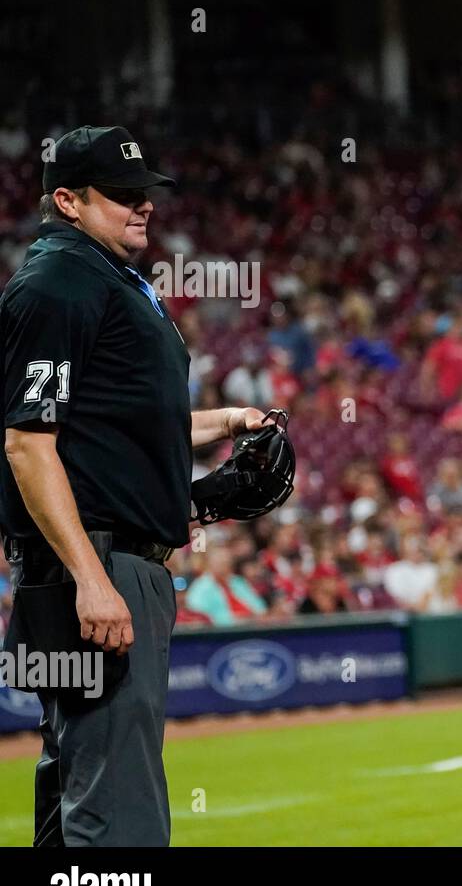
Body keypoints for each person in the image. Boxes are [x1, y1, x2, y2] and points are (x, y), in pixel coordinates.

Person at [0, 125, 272, 846]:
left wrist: (227, 421)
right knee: (117, 819)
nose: (142, 205)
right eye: (121, 194)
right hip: (93, 569)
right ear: (67, 200)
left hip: (107, 564)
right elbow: (28, 445)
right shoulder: (58, 284)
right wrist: (91, 579)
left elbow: (116, 425)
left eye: (144, 191)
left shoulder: (105, 277)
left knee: (77, 798)